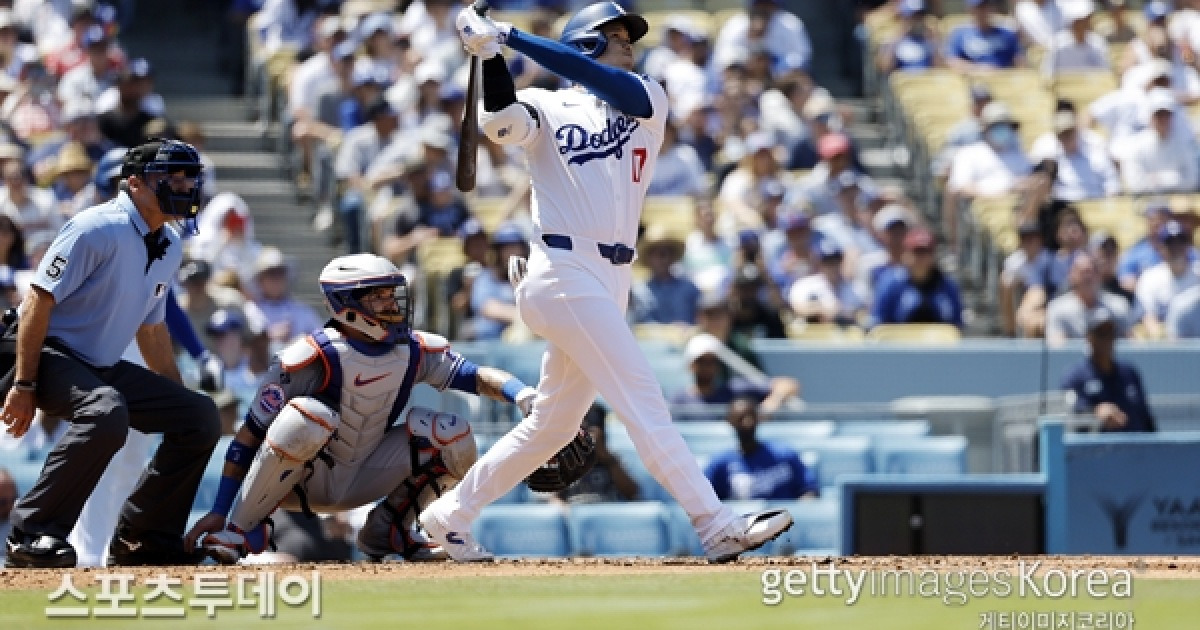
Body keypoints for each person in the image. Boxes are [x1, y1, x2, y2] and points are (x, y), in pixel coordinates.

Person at [421, 1, 794, 562]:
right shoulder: (547, 103)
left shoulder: (647, 96)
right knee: (643, 401)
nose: (629, 43)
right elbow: (499, 122)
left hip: (610, 277)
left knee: (553, 425)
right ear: (586, 42)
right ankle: (714, 523)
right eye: (616, 35)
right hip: (563, 269)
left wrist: (509, 36)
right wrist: (491, 55)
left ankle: (449, 516)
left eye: (628, 36)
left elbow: (603, 79)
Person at [186, 254, 542, 563]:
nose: (392, 304)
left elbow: (474, 376)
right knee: (309, 416)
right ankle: (241, 531)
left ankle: (390, 530)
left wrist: (523, 394)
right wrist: (221, 512)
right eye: (378, 297)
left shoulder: (413, 349)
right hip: (301, 487)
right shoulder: (310, 356)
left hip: (369, 473)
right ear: (347, 303)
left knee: (456, 435)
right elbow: (247, 438)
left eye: (391, 295)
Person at [1, 139, 220, 568]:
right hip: (40, 352)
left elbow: (152, 330)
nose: (183, 186)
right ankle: (31, 534)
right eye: (169, 178)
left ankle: (144, 539)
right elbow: (37, 303)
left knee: (200, 417)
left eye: (187, 177)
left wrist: (176, 402)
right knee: (105, 411)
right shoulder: (96, 227)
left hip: (94, 364)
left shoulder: (169, 243)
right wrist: (25, 385)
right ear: (134, 184)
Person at [1061, 307, 1156, 432]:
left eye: (1110, 333)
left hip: (1135, 447)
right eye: (1101, 333)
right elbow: (1069, 415)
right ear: (1089, 337)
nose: (1107, 339)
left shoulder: (1129, 373)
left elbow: (1146, 417)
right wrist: (1094, 412)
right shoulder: (1075, 376)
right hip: (1095, 449)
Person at [705, 396, 818, 501]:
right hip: (742, 520)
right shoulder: (720, 463)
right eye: (740, 418)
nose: (747, 423)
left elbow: (809, 489)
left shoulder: (784, 453)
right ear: (730, 421)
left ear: (758, 419)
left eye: (751, 417)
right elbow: (706, 499)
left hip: (785, 519)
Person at [871, 228, 965, 328]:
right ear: (905, 254)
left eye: (926, 252)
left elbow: (956, 323)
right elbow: (878, 321)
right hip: (898, 341)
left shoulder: (947, 286)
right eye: (916, 252)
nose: (921, 258)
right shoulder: (890, 283)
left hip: (937, 341)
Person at [556, 403, 639, 504]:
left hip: (608, 514)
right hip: (575, 514)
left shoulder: (614, 458)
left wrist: (605, 456)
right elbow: (553, 499)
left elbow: (632, 493)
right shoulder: (561, 458)